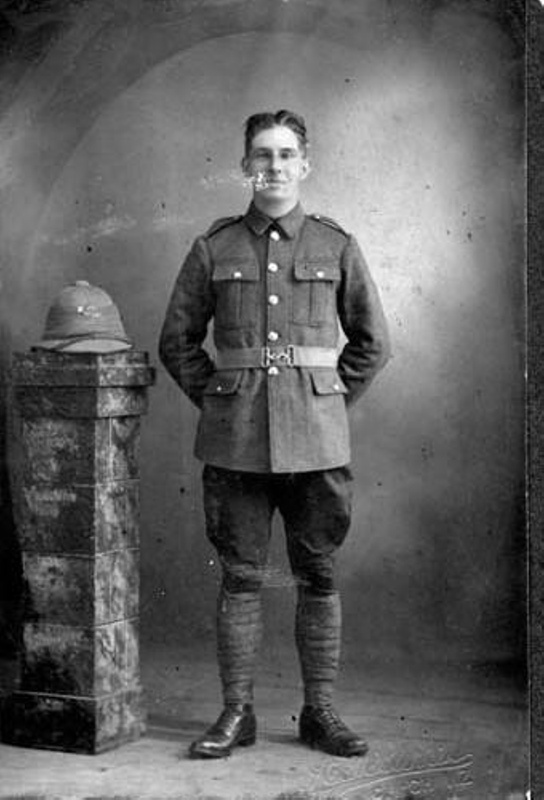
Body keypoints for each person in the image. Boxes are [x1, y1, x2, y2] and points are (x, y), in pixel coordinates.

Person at [159, 109, 390, 759]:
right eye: (262, 155)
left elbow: (374, 343)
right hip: (236, 442)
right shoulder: (216, 246)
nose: (274, 167)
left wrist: (328, 399)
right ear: (245, 166)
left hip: (317, 442)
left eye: (286, 155)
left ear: (304, 165)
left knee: (317, 572)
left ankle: (320, 713)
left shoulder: (335, 244)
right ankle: (237, 714)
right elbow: (177, 341)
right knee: (240, 575)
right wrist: (219, 396)